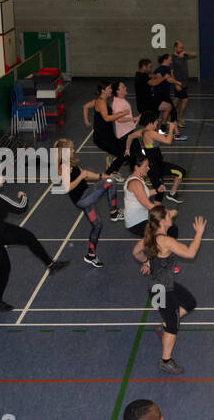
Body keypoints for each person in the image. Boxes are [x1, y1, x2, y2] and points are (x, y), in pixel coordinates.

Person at [0, 172, 68, 312]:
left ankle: (51, 264)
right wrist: (23, 195)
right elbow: (20, 208)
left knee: (28, 237)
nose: (1, 177)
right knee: (3, 269)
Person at [132, 205, 205, 375]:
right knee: (174, 324)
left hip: (160, 286)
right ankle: (165, 361)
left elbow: (136, 252)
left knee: (189, 302)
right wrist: (199, 233)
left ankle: (163, 326)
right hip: (162, 290)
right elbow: (190, 253)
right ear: (163, 221)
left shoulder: (149, 236)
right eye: (168, 216)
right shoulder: (166, 241)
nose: (171, 218)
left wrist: (146, 261)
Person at [53, 137, 120, 268]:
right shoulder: (63, 166)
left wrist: (101, 176)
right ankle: (114, 212)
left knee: (97, 225)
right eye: (71, 149)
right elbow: (67, 187)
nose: (73, 150)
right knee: (111, 183)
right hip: (84, 198)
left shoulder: (70, 162)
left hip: (86, 196)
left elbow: (87, 174)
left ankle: (91, 255)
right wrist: (81, 176)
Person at [126, 112, 185, 202]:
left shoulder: (144, 131)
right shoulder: (149, 133)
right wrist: (171, 128)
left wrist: (127, 149)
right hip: (153, 168)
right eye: (156, 121)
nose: (157, 122)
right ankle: (155, 213)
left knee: (181, 172)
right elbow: (168, 141)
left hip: (159, 164)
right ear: (151, 122)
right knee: (159, 193)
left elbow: (130, 136)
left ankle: (172, 194)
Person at [123, 155, 177, 238]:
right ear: (137, 167)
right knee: (170, 230)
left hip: (142, 218)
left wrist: (157, 190)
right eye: (145, 166)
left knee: (167, 229)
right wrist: (167, 213)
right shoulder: (135, 183)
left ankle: (143, 247)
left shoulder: (138, 179)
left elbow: (144, 193)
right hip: (136, 222)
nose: (148, 168)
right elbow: (147, 204)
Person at [170, 40, 196, 134]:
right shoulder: (172, 58)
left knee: (176, 100)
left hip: (185, 83)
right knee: (184, 99)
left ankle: (171, 116)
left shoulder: (183, 55)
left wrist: (185, 52)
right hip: (178, 84)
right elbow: (171, 73)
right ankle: (179, 118)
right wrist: (175, 84)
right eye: (180, 47)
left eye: (183, 47)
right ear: (175, 48)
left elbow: (194, 54)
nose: (182, 49)